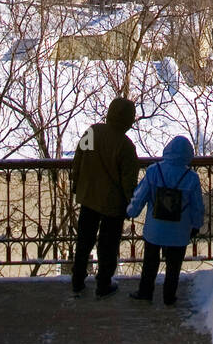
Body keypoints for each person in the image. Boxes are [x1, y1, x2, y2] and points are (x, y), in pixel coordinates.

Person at [70, 96, 139, 298]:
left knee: (84, 240)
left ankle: (77, 279)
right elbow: (129, 182)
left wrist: (77, 185)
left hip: (89, 196)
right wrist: (130, 204)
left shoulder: (93, 132)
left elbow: (78, 159)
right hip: (112, 204)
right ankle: (103, 284)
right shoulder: (126, 146)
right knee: (107, 246)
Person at [126, 135, 204, 306]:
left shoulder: (154, 171)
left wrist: (130, 212)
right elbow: (197, 206)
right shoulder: (191, 178)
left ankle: (145, 292)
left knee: (150, 263)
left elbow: (140, 196)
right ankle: (169, 297)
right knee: (174, 266)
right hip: (179, 232)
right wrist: (196, 225)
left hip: (155, 230)